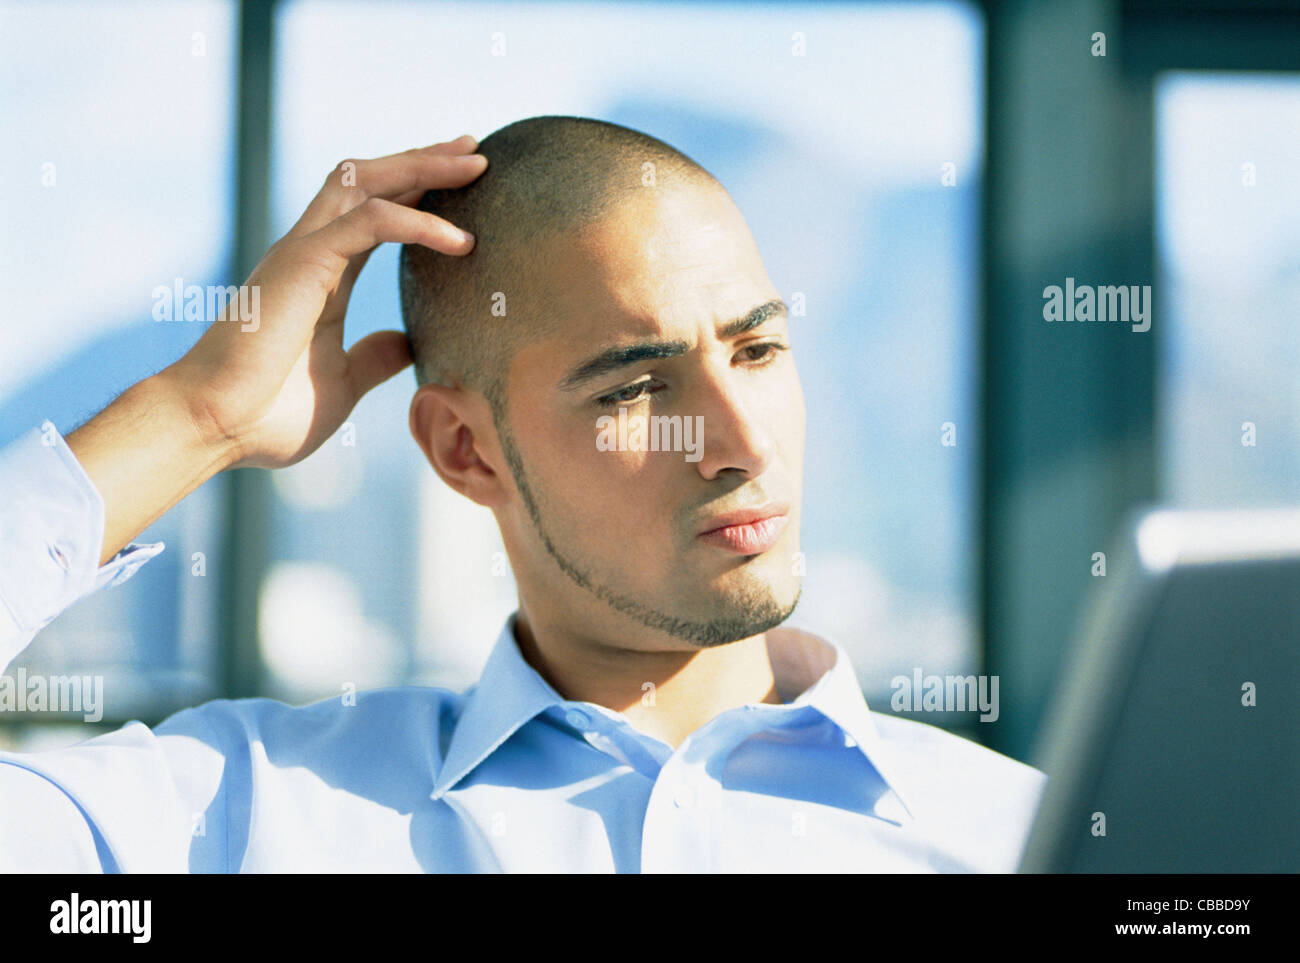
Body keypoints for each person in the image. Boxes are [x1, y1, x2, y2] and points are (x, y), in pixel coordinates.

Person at [0, 116, 1045, 872]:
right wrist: (192, 419)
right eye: (636, 385)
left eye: (759, 348)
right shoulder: (241, 814)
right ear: (466, 451)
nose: (740, 442)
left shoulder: (1030, 838)